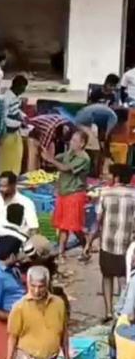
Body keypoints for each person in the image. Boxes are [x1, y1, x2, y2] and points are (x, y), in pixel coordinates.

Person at [91, 164, 135, 322]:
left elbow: (98, 220)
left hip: (107, 243)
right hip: (127, 245)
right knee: (125, 279)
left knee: (107, 276)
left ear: (116, 177)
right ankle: (123, 313)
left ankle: (108, 312)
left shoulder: (105, 193)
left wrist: (89, 242)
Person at [44, 130, 91, 260]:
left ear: (82, 144)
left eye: (75, 141)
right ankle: (61, 252)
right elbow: (57, 158)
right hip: (63, 193)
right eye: (72, 140)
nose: (72, 143)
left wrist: (51, 160)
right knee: (63, 225)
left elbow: (66, 168)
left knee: (74, 226)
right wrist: (47, 154)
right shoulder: (69, 153)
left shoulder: (84, 158)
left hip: (75, 194)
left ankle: (86, 243)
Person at [75, 94, 119, 176]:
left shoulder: (104, 115)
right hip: (84, 120)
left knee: (88, 146)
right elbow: (106, 135)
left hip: (80, 116)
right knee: (94, 149)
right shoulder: (113, 118)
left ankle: (89, 170)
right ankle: (92, 173)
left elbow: (101, 134)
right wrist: (105, 151)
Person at [0, 75, 28, 175]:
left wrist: (23, 117)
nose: (23, 91)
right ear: (17, 86)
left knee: (16, 158)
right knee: (6, 161)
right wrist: (18, 122)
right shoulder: (6, 99)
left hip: (16, 133)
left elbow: (16, 111)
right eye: (22, 88)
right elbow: (3, 118)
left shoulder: (16, 97)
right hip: (7, 134)